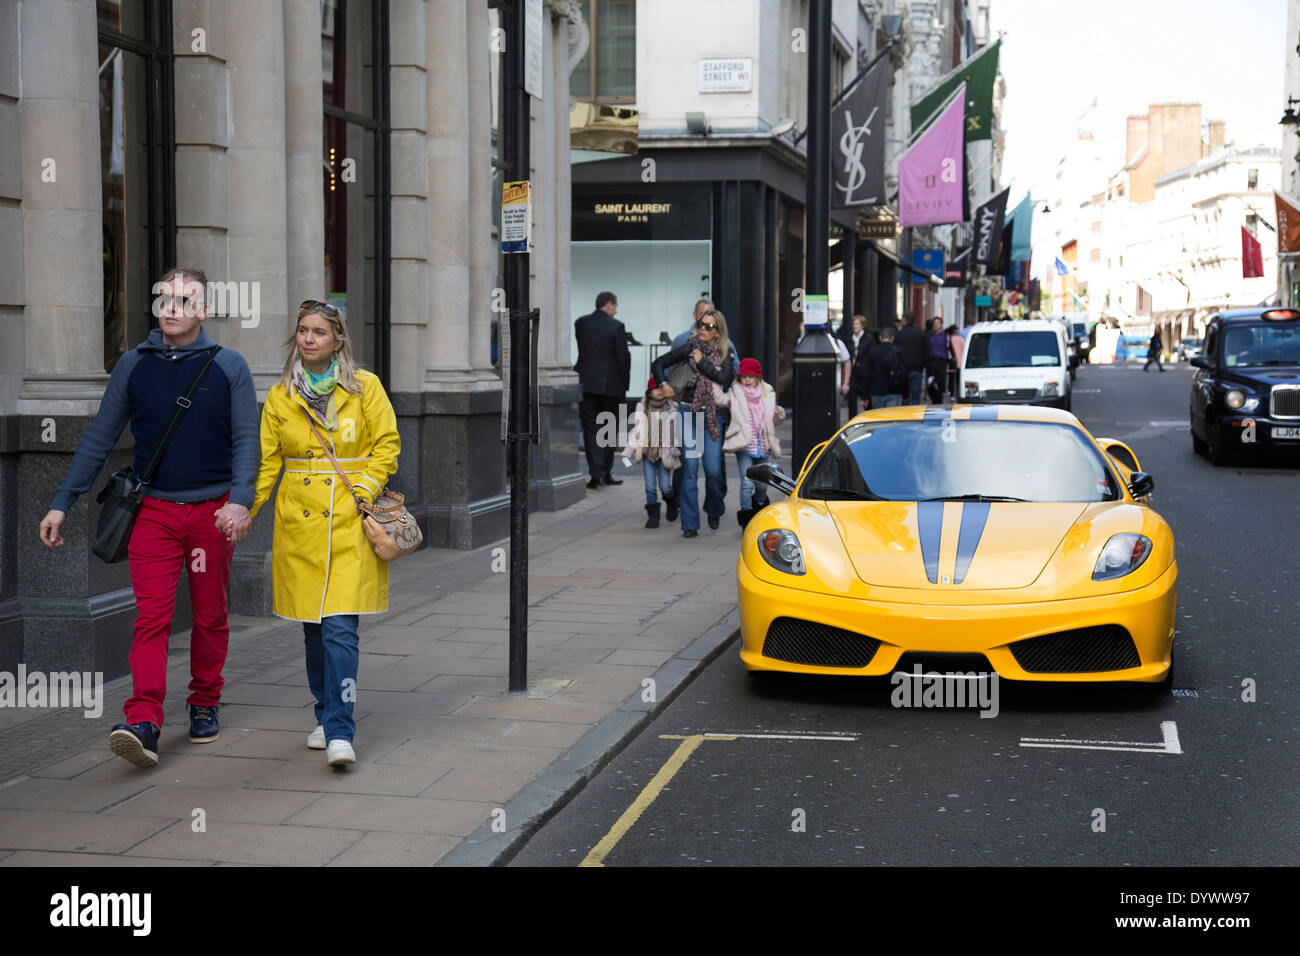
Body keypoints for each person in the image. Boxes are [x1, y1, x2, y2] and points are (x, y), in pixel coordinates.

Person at [39, 267, 259, 768]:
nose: (172, 307)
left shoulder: (229, 366)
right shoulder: (133, 365)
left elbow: (248, 439)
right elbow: (100, 437)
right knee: (152, 617)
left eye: (185, 300)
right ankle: (143, 720)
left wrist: (240, 500)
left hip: (211, 515)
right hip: (153, 513)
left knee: (209, 613)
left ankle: (204, 701)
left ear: (204, 311)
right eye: (164, 298)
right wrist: (61, 501)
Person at [250, 300, 402, 766]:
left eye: (319, 331)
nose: (309, 338)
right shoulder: (280, 396)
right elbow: (267, 462)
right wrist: (242, 510)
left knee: (339, 629)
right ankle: (325, 711)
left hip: (350, 524)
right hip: (299, 526)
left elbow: (387, 445)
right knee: (313, 632)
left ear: (338, 341)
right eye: (302, 330)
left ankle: (341, 729)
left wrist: (362, 485)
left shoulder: (365, 387)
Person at [652, 308, 736, 538]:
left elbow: (724, 378)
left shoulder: (726, 352)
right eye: (701, 324)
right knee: (689, 470)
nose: (702, 328)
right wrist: (663, 383)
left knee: (712, 470)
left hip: (712, 415)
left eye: (708, 326)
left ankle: (714, 508)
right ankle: (690, 524)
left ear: (718, 332)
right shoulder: (689, 347)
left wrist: (701, 363)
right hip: (687, 413)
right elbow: (658, 363)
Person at [574, 291, 632, 489]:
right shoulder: (617, 326)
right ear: (609, 305)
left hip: (587, 384)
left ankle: (595, 473)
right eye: (615, 307)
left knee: (590, 429)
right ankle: (605, 472)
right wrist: (625, 384)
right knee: (608, 430)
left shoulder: (581, 323)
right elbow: (623, 358)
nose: (616, 311)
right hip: (611, 387)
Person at [724, 358, 784, 528]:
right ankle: (746, 519)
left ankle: (758, 505)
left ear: (758, 377)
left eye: (751, 376)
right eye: (744, 376)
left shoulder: (767, 393)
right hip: (744, 445)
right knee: (746, 483)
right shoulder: (735, 393)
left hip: (762, 445)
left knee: (762, 486)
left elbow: (772, 422)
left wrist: (778, 417)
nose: (747, 380)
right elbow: (720, 400)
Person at [620, 377, 681, 528]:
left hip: (665, 453)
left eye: (661, 388)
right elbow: (636, 432)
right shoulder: (642, 408)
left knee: (665, 486)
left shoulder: (672, 407)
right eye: (655, 388)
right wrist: (627, 452)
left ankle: (671, 501)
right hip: (648, 453)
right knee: (650, 486)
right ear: (649, 392)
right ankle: (653, 516)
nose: (659, 391)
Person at [860, 325, 907, 408]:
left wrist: (864, 395)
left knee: (879, 417)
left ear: (880, 337)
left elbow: (866, 374)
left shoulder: (872, 352)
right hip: (894, 391)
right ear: (892, 338)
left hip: (876, 391)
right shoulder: (898, 351)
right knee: (891, 418)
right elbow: (904, 373)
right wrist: (905, 394)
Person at [895, 311, 928, 405]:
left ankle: (905, 415)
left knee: (905, 397)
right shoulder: (921, 333)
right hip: (917, 369)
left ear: (904, 319)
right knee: (916, 397)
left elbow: (895, 352)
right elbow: (927, 352)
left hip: (903, 370)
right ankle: (914, 415)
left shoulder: (899, 334)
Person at [925, 317, 952, 404]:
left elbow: (948, 348)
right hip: (931, 362)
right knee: (930, 383)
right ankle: (934, 398)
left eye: (937, 323)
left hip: (941, 362)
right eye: (934, 323)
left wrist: (949, 362)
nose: (935, 324)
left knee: (941, 382)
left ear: (941, 324)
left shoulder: (945, 335)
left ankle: (939, 400)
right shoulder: (929, 335)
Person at [946, 324, 965, 399]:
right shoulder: (960, 339)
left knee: (951, 378)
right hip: (960, 362)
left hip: (951, 362)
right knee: (958, 380)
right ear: (955, 331)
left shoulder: (948, 339)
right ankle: (958, 393)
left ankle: (952, 394)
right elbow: (964, 350)